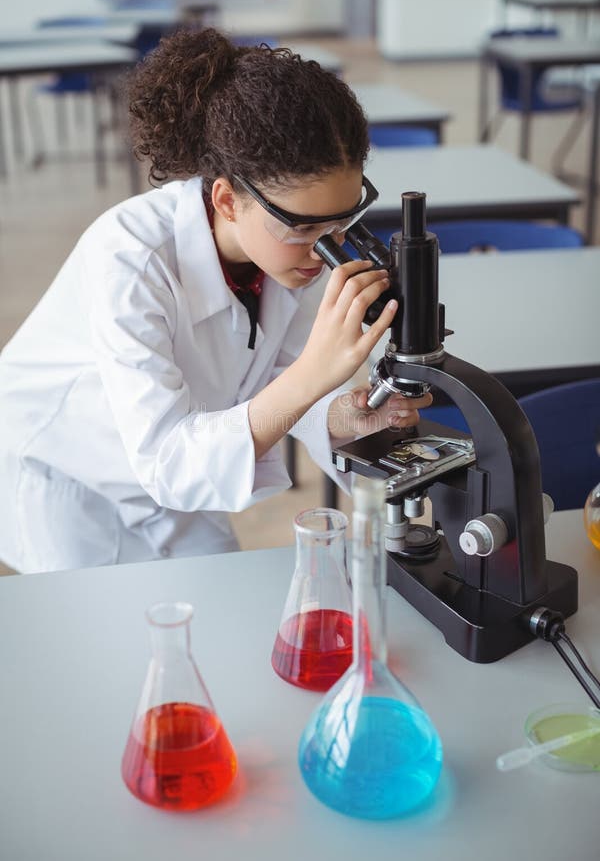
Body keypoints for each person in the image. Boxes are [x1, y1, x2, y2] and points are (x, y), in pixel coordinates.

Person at [0, 28, 431, 574]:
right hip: (69, 474)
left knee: (224, 604)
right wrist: (314, 376)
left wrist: (340, 412)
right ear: (227, 199)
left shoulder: (288, 250)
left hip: (185, 452)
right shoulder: (131, 257)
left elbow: (274, 371)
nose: (327, 248)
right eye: (305, 227)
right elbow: (168, 458)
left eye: (342, 220)